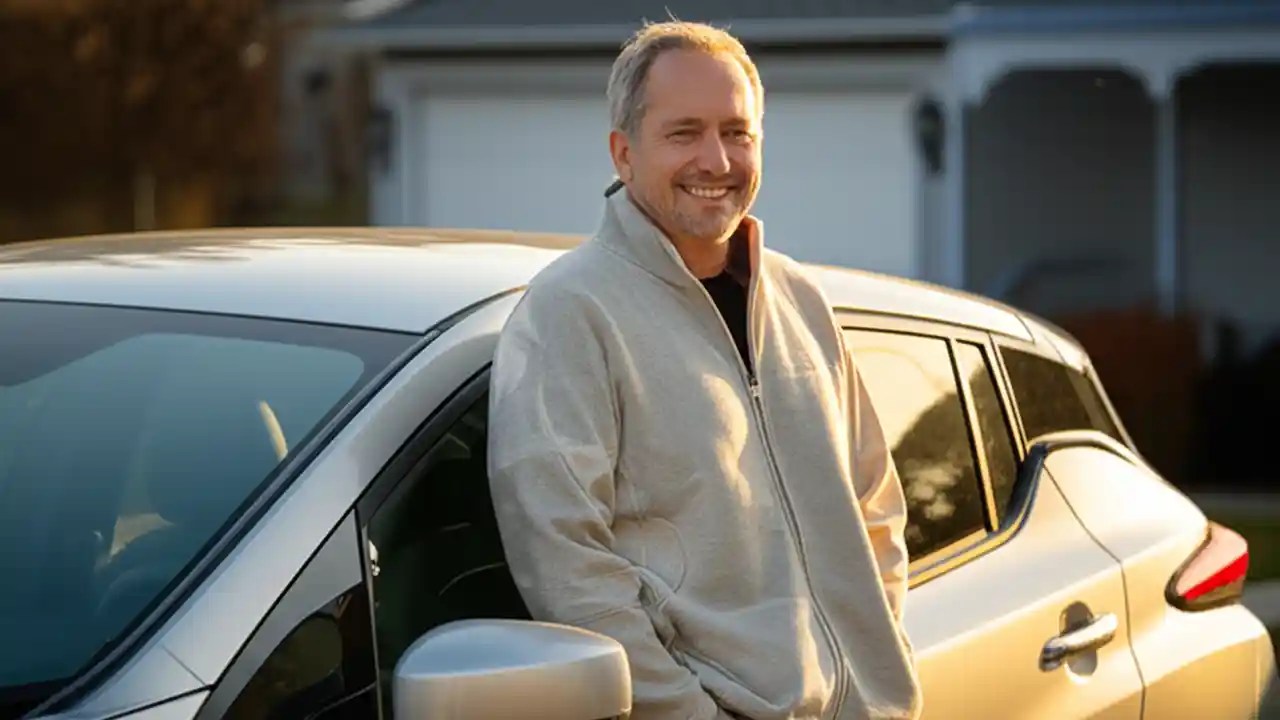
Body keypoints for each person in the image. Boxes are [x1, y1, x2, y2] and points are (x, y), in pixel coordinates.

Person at [487, 20, 921, 720]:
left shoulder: (800, 298)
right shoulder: (570, 312)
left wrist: (874, 659)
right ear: (623, 154)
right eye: (684, 133)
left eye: (737, 132)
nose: (717, 161)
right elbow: (564, 561)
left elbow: (875, 508)